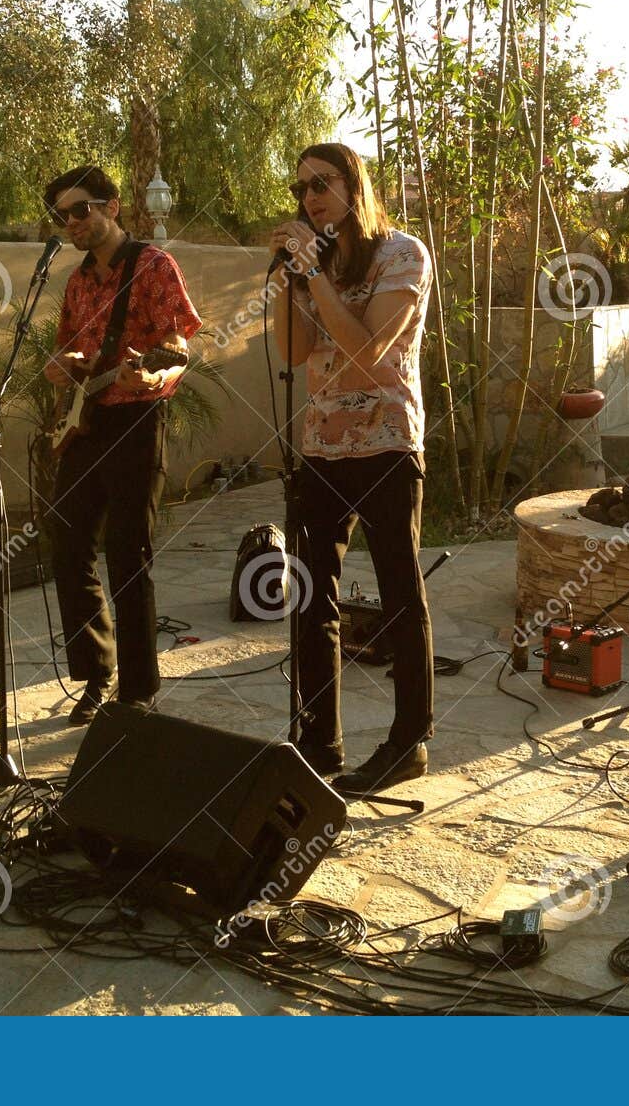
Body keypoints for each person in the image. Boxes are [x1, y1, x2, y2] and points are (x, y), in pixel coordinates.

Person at [269, 142, 435, 792]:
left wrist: (315, 279)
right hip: (323, 450)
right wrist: (289, 278)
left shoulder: (403, 254)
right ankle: (319, 742)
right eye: (301, 188)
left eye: (323, 182)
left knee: (399, 592)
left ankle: (409, 741)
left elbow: (368, 354)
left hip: (388, 444)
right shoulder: (315, 264)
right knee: (313, 597)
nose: (310, 196)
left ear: (354, 186)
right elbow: (293, 350)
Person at [41, 165, 201, 726]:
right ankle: (93, 674)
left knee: (128, 555)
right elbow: (69, 349)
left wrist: (154, 378)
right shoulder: (77, 280)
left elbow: (178, 343)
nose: (72, 223)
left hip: (136, 420)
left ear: (111, 206)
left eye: (81, 210)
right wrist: (61, 368)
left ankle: (138, 688)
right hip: (89, 424)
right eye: (62, 217)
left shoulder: (153, 264)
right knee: (69, 547)